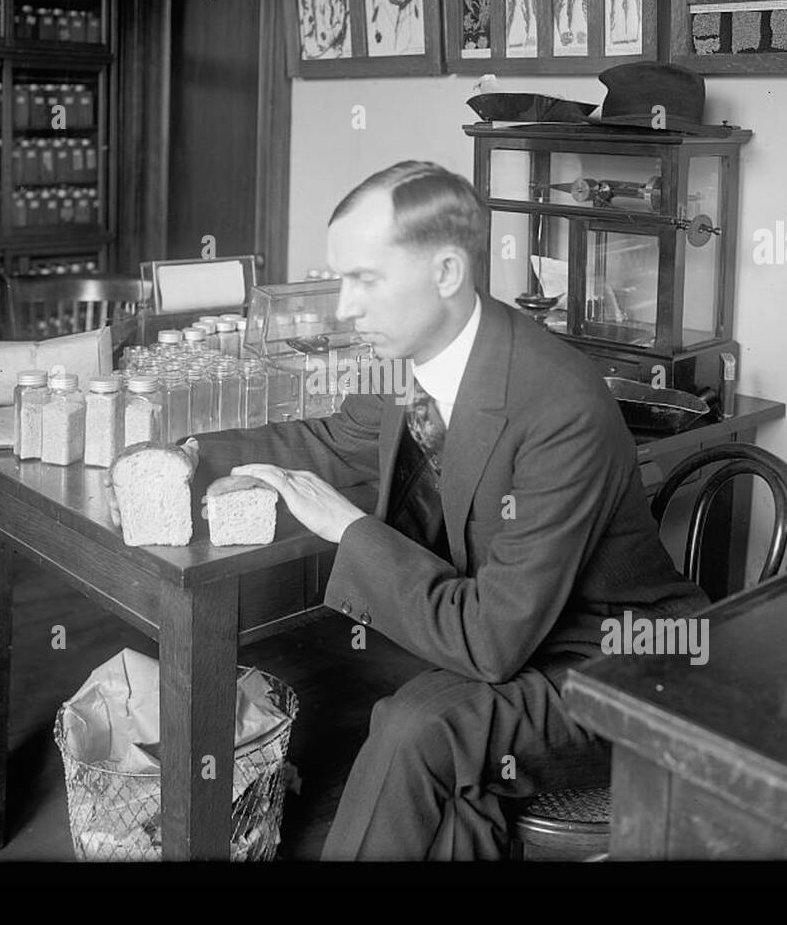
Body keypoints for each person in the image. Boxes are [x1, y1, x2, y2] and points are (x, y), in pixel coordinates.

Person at [114, 161, 709, 859]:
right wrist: (181, 451)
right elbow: (334, 440)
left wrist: (346, 525)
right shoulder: (412, 358)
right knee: (445, 782)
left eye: (365, 279)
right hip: (523, 635)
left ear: (448, 272)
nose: (343, 306)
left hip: (620, 658)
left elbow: (489, 642)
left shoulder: (559, 405)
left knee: (417, 729)